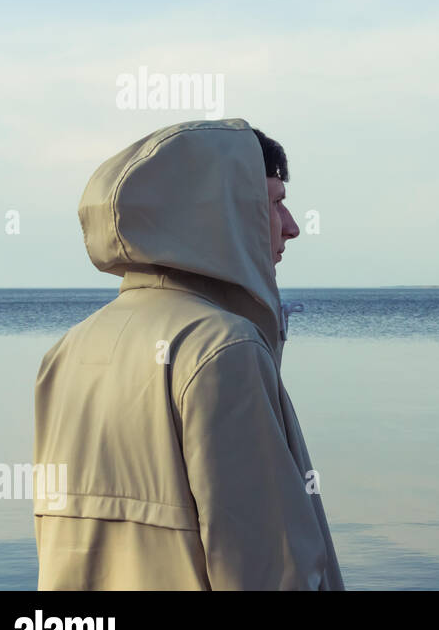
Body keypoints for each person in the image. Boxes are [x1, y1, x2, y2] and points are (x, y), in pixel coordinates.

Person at [32, 118, 345, 590]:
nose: (293, 227)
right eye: (275, 204)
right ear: (224, 214)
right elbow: (266, 569)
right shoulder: (223, 349)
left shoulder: (66, 351)